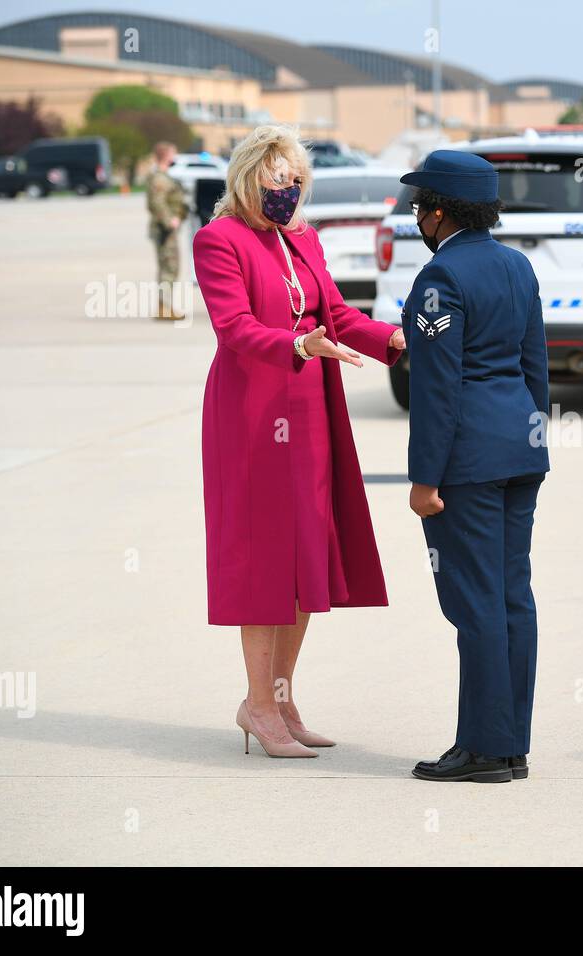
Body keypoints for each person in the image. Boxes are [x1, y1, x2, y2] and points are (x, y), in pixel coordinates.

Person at [193, 125, 406, 758]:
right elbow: (233, 327)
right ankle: (257, 705)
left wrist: (392, 339)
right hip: (252, 413)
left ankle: (281, 700)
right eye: (279, 178)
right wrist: (295, 344)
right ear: (249, 174)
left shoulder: (304, 237)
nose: (289, 191)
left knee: (305, 555)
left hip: (310, 410)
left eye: (298, 182)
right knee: (264, 559)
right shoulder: (219, 239)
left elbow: (336, 315)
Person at [398, 151, 550, 783]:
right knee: (514, 596)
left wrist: (424, 478)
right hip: (520, 450)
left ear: (439, 211)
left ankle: (483, 749)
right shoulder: (518, 266)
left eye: (418, 205)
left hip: (467, 464)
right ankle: (510, 743)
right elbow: (535, 368)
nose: (415, 215)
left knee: (476, 602)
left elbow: (438, 390)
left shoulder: (441, 279)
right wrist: (531, 439)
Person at [146, 142, 189, 320]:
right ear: (166, 155)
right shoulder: (159, 178)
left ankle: (164, 306)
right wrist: (169, 220)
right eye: (173, 153)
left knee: (168, 268)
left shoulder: (163, 176)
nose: (175, 157)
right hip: (164, 230)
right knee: (169, 268)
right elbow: (157, 202)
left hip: (167, 229)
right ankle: (164, 308)